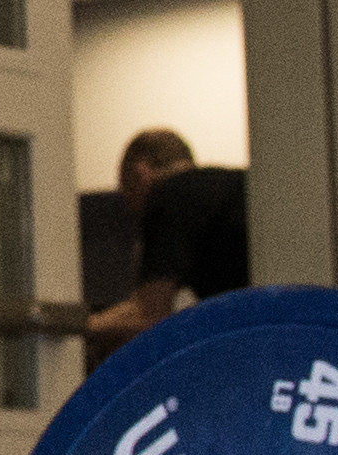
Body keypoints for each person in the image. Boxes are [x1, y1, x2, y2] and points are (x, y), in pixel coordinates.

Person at [89, 127, 247, 339]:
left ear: (139, 172)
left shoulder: (167, 198)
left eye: (127, 191)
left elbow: (151, 317)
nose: (131, 207)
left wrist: (86, 327)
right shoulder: (235, 184)